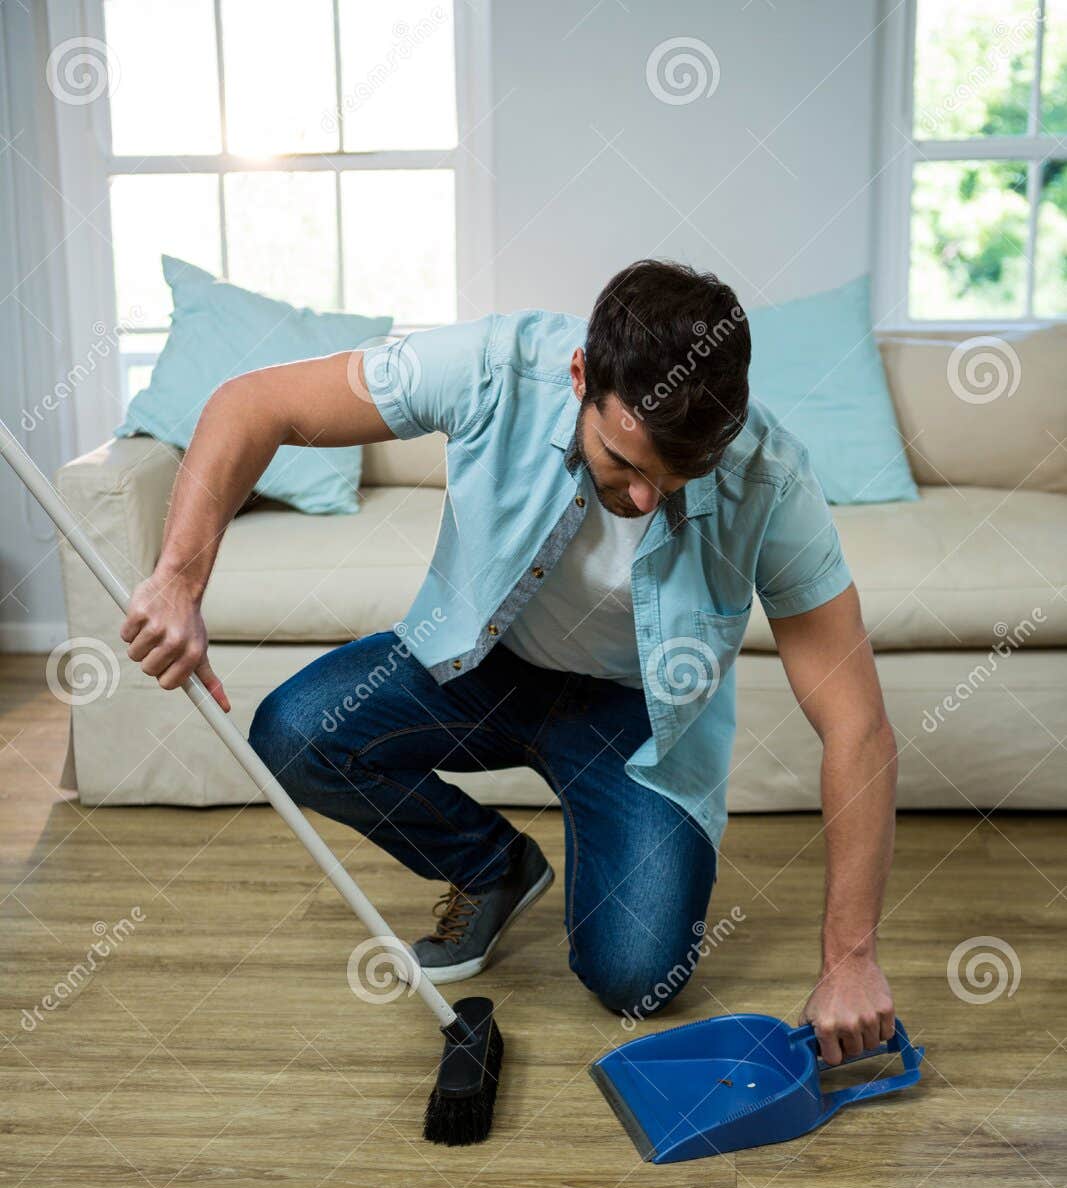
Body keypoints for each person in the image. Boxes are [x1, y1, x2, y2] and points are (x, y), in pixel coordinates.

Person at [120, 259, 898, 1065]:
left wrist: (849, 961)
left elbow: (858, 728)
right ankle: (493, 867)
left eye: (675, 479)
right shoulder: (494, 367)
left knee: (636, 979)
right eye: (625, 464)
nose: (642, 501)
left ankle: (589, 872)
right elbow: (254, 402)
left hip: (634, 720)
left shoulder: (768, 476)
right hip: (481, 665)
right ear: (578, 376)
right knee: (295, 731)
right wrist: (179, 580)